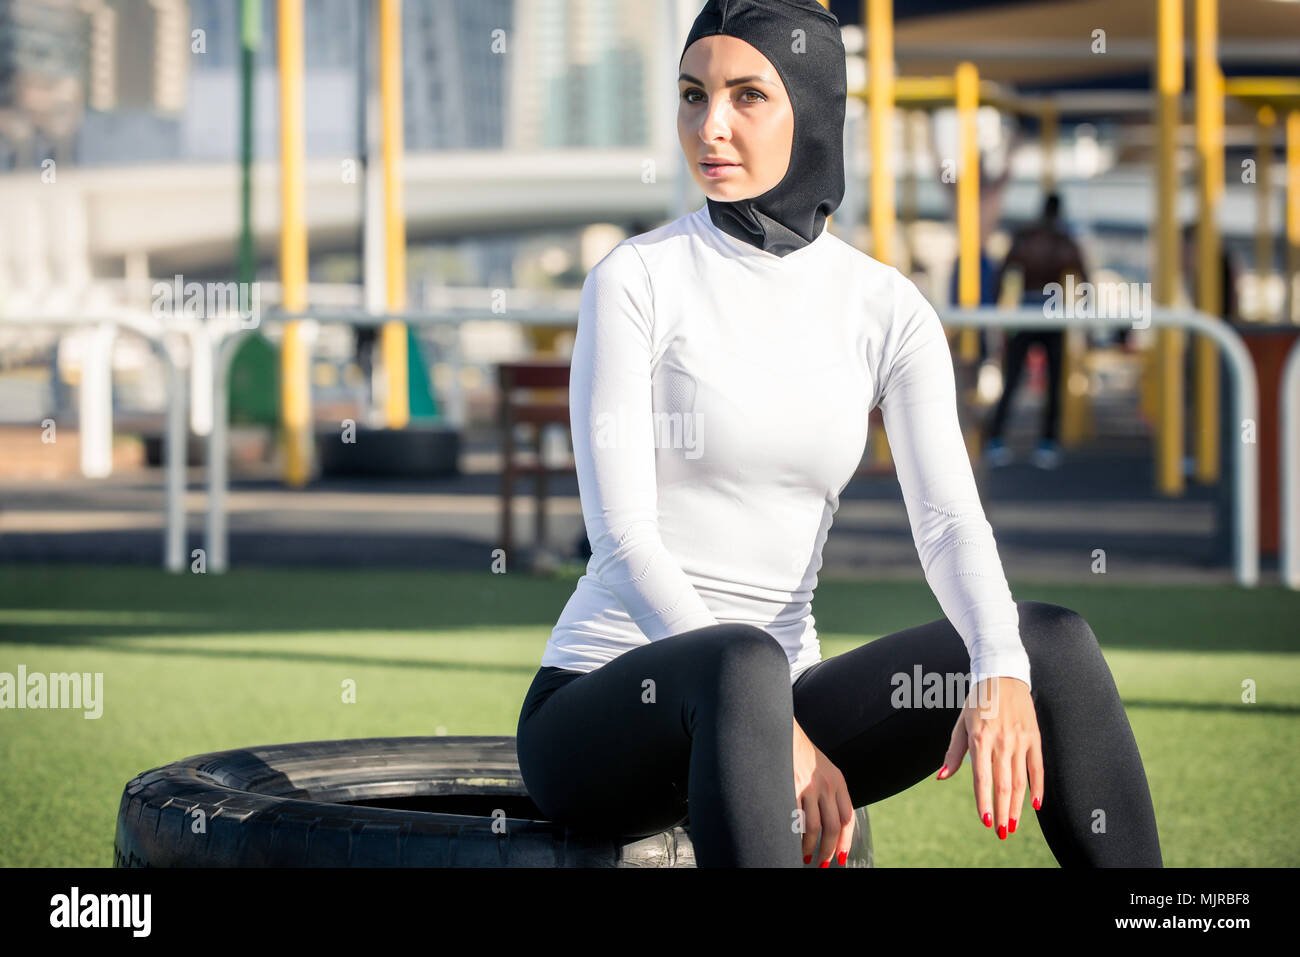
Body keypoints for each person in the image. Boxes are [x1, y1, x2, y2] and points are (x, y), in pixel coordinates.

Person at [515, 0, 1161, 868]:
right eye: (692, 94)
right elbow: (623, 541)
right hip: (608, 707)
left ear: (814, 110)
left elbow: (947, 524)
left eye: (748, 96)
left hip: (782, 697)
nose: (711, 125)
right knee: (741, 665)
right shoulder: (637, 279)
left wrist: (998, 665)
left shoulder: (886, 307)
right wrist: (776, 728)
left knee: (1046, 640)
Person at [983, 192, 1087, 470]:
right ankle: (1047, 442)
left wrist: (995, 311)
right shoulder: (1063, 242)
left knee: (1014, 377)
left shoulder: (1026, 237)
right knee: (1052, 382)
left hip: (1026, 309)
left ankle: (996, 439)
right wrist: (1087, 316)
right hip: (1052, 311)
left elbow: (1004, 272)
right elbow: (1084, 278)